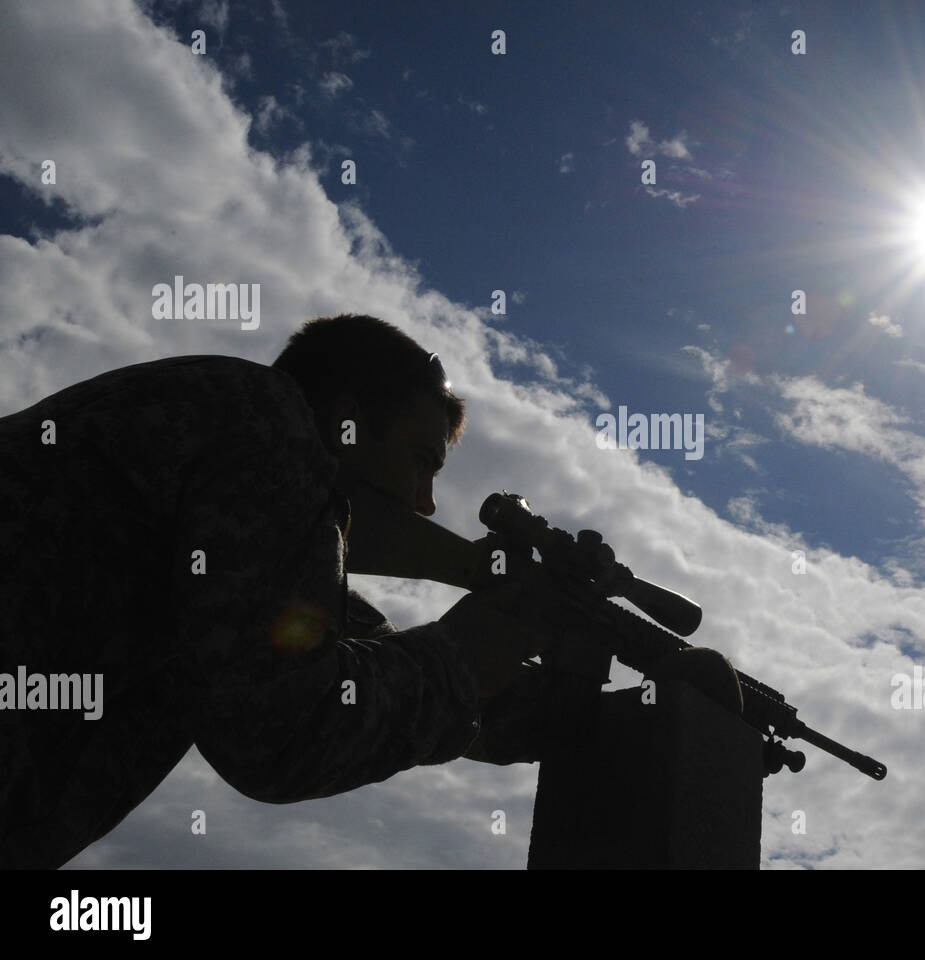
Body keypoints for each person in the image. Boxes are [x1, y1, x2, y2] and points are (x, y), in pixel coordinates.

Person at [0, 313, 539, 869]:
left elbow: (340, 646)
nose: (426, 502)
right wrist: (460, 662)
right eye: (422, 462)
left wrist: (516, 694)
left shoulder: (215, 433)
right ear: (346, 424)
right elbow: (280, 729)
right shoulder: (272, 429)